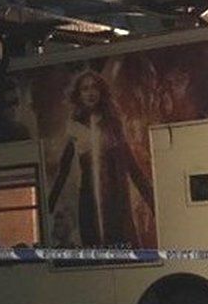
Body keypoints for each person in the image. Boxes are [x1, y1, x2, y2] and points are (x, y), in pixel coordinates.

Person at [47, 70, 154, 248]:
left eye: (94, 87)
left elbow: (131, 165)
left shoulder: (112, 123)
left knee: (120, 244)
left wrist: (152, 201)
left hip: (115, 197)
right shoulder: (75, 127)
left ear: (101, 91)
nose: (90, 93)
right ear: (78, 94)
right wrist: (48, 206)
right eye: (85, 89)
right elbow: (63, 170)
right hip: (89, 198)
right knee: (94, 245)